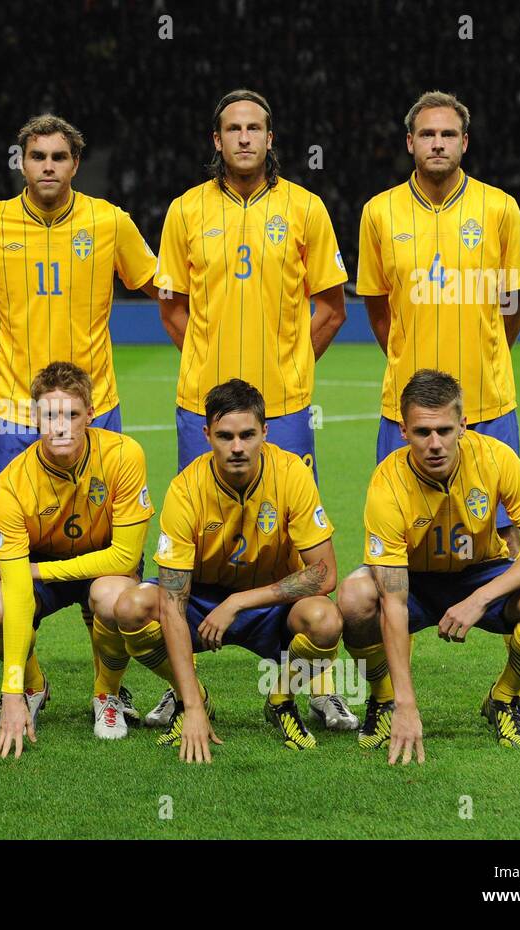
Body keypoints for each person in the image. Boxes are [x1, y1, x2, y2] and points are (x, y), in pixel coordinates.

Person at [0, 113, 158, 720]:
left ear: (75, 164)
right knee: (8, 574)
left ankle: (110, 689)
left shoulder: (110, 222)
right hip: (12, 416)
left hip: (97, 411)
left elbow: (159, 285)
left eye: (58, 157)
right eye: (37, 157)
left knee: (118, 566)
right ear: (20, 163)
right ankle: (28, 683)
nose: (48, 166)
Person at [150, 90, 352, 731]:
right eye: (232, 128)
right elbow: (173, 307)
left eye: (255, 128)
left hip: (285, 407)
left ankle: (312, 680)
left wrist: (291, 372)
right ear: (216, 140)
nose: (244, 138)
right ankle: (182, 686)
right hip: (199, 407)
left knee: (298, 547)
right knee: (195, 544)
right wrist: (210, 377)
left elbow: (332, 306)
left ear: (271, 138)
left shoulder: (305, 208)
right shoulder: (185, 209)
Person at [356, 89, 520, 730]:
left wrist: (483, 364)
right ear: (409, 143)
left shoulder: (500, 209)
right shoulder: (379, 213)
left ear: (465, 143)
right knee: (389, 556)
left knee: (507, 541)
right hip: (403, 409)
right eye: (426, 135)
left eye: (448, 135)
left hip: (488, 404)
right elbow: (378, 307)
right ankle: (387, 697)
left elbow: (513, 305)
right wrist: (411, 371)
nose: (437, 144)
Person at [337, 370, 520, 762]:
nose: (435, 444)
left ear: (463, 425)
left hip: (482, 573)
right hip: (413, 582)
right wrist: (406, 704)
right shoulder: (387, 484)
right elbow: (393, 602)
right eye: (422, 432)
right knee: (353, 596)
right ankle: (383, 702)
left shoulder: (497, 458)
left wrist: (480, 598)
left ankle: (503, 697)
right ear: (403, 431)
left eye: (445, 430)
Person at [115, 379, 343, 760]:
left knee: (326, 619)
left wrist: (239, 602)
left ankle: (282, 698)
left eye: (247, 435)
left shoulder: (292, 474)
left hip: (271, 605)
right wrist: (191, 707)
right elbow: (172, 601)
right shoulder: (185, 490)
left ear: (265, 432)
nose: (237, 447)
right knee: (130, 607)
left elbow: (324, 573)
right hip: (200, 603)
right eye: (225, 436)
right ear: (206, 435)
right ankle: (194, 697)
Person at [0, 362, 154, 757]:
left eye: (71, 415)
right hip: (44, 563)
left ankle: (107, 694)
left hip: (106, 566)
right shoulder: (9, 486)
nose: (60, 426)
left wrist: (37, 570)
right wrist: (9, 690)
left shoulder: (124, 455)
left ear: (91, 416)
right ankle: (31, 688)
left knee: (114, 598)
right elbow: (14, 591)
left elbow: (127, 555)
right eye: (49, 415)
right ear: (34, 417)